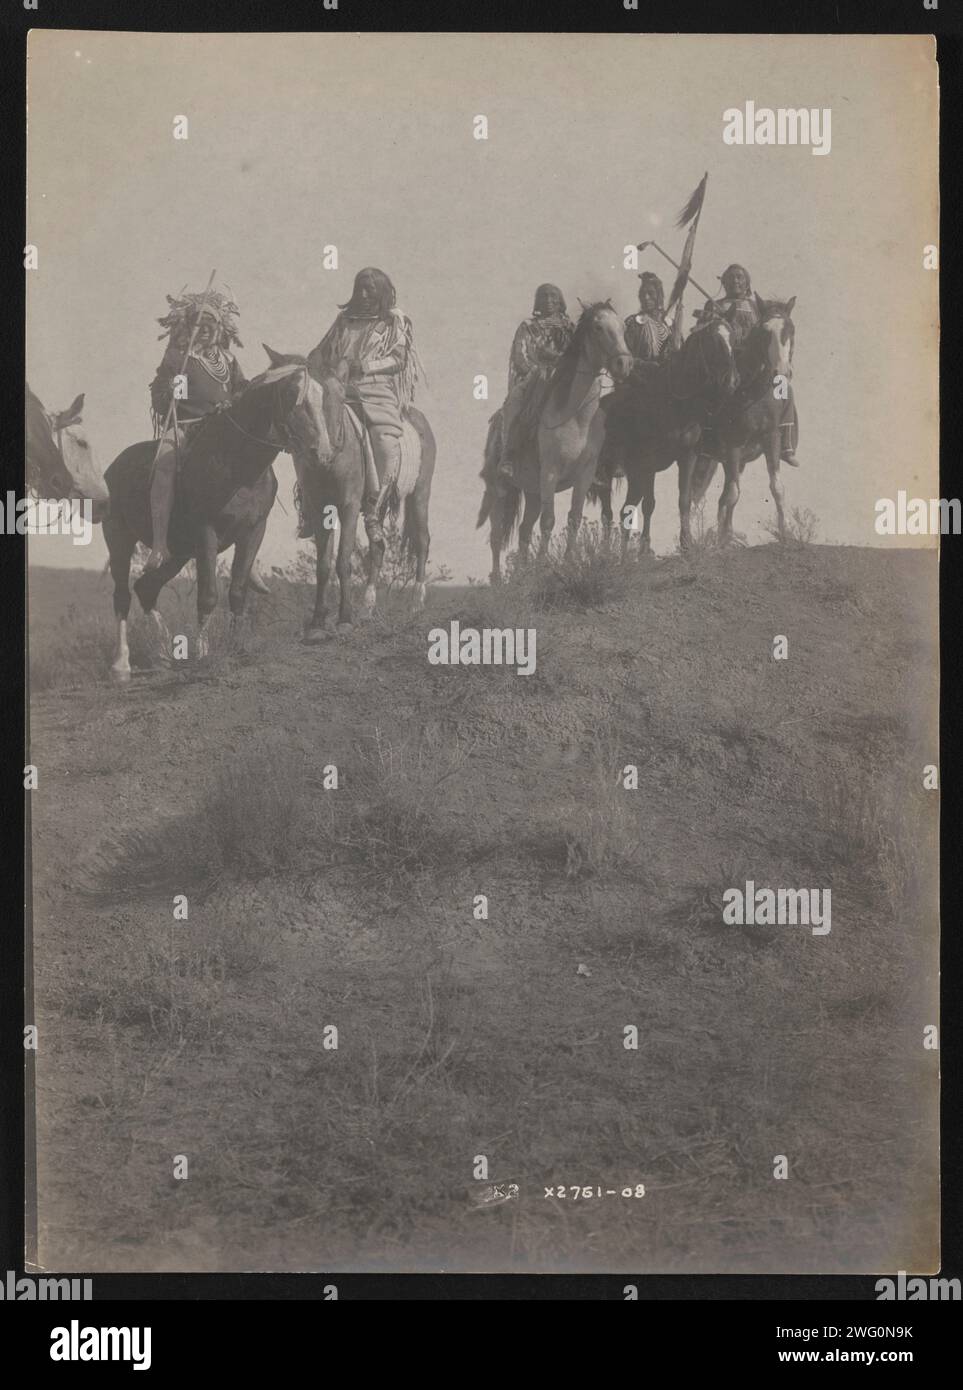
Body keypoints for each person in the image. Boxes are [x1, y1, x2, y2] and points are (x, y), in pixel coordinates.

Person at [307, 267, 419, 530]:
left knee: (384, 440)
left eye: (370, 289)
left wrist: (366, 366)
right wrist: (313, 363)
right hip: (337, 389)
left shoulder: (394, 321)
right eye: (360, 289)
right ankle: (309, 505)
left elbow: (399, 359)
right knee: (309, 430)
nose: (364, 294)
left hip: (375, 389)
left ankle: (374, 506)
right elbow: (322, 351)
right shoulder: (344, 319)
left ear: (381, 292)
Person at [146, 289, 248, 569]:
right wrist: (170, 389)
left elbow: (242, 391)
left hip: (225, 431)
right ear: (187, 326)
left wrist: (236, 404)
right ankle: (158, 544)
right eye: (197, 323)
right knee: (164, 465)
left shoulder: (228, 361)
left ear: (218, 328)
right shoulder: (177, 358)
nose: (203, 329)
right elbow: (159, 397)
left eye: (209, 324)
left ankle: (247, 554)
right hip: (186, 428)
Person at [697, 264, 798, 465]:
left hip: (755, 363)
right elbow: (706, 332)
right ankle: (707, 440)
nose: (736, 281)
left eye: (740, 278)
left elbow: (772, 329)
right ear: (724, 282)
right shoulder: (716, 305)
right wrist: (711, 319)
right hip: (727, 361)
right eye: (731, 278)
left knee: (784, 388)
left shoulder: (755, 307)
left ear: (747, 282)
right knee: (708, 392)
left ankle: (785, 443)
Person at [496, 283, 575, 484]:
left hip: (564, 380)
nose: (549, 301)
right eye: (545, 296)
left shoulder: (570, 328)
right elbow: (519, 355)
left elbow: (577, 356)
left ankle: (596, 464)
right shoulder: (528, 326)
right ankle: (509, 456)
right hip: (534, 379)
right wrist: (537, 372)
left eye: (553, 297)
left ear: (560, 301)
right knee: (512, 405)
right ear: (538, 301)